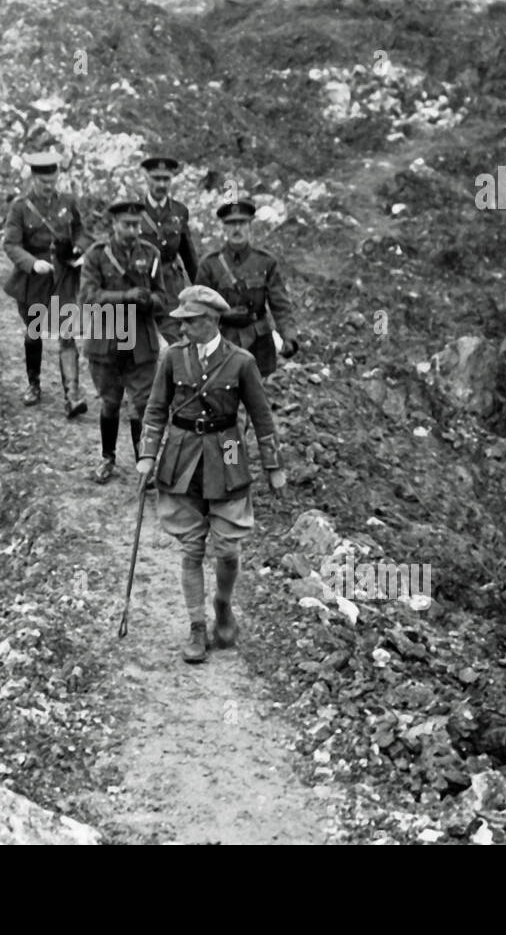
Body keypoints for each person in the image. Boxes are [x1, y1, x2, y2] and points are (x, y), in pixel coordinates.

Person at [138, 285, 286, 663]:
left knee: (228, 548)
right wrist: (146, 456)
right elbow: (155, 410)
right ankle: (196, 626)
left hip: (228, 451)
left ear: (211, 321)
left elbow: (261, 416)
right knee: (191, 546)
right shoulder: (172, 357)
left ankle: (222, 603)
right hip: (182, 455)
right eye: (182, 322)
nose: (183, 329)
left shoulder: (241, 362)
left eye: (190, 322)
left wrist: (273, 466)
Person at [79, 193, 170, 485]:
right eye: (127, 225)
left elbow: (163, 297)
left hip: (140, 342)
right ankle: (107, 458)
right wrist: (124, 297)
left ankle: (144, 465)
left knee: (141, 404)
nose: (133, 231)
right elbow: (88, 297)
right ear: (114, 224)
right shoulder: (96, 255)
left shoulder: (151, 255)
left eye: (137, 225)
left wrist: (148, 301)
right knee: (110, 403)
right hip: (106, 340)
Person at [2, 150, 91, 417]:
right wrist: (32, 263)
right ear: (33, 179)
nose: (49, 187)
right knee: (34, 332)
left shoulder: (68, 201)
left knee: (67, 334)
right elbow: (11, 244)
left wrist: (80, 251)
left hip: (63, 276)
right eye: (44, 183)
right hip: (33, 280)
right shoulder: (20, 207)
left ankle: (72, 396)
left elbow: (81, 231)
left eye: (53, 182)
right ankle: (34, 384)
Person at [196, 194, 300, 381]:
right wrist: (223, 315)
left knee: (258, 403)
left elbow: (280, 305)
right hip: (223, 341)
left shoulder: (266, 262)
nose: (237, 228)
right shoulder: (209, 265)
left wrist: (289, 336)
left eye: (242, 223)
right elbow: (198, 309)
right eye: (231, 223)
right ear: (224, 227)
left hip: (258, 344)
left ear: (250, 226)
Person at [136, 154, 198, 344]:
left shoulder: (179, 212)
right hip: (141, 281)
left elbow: (188, 254)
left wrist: (201, 287)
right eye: (156, 178)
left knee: (176, 339)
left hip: (171, 285)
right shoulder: (134, 210)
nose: (161, 184)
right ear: (146, 178)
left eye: (166, 179)